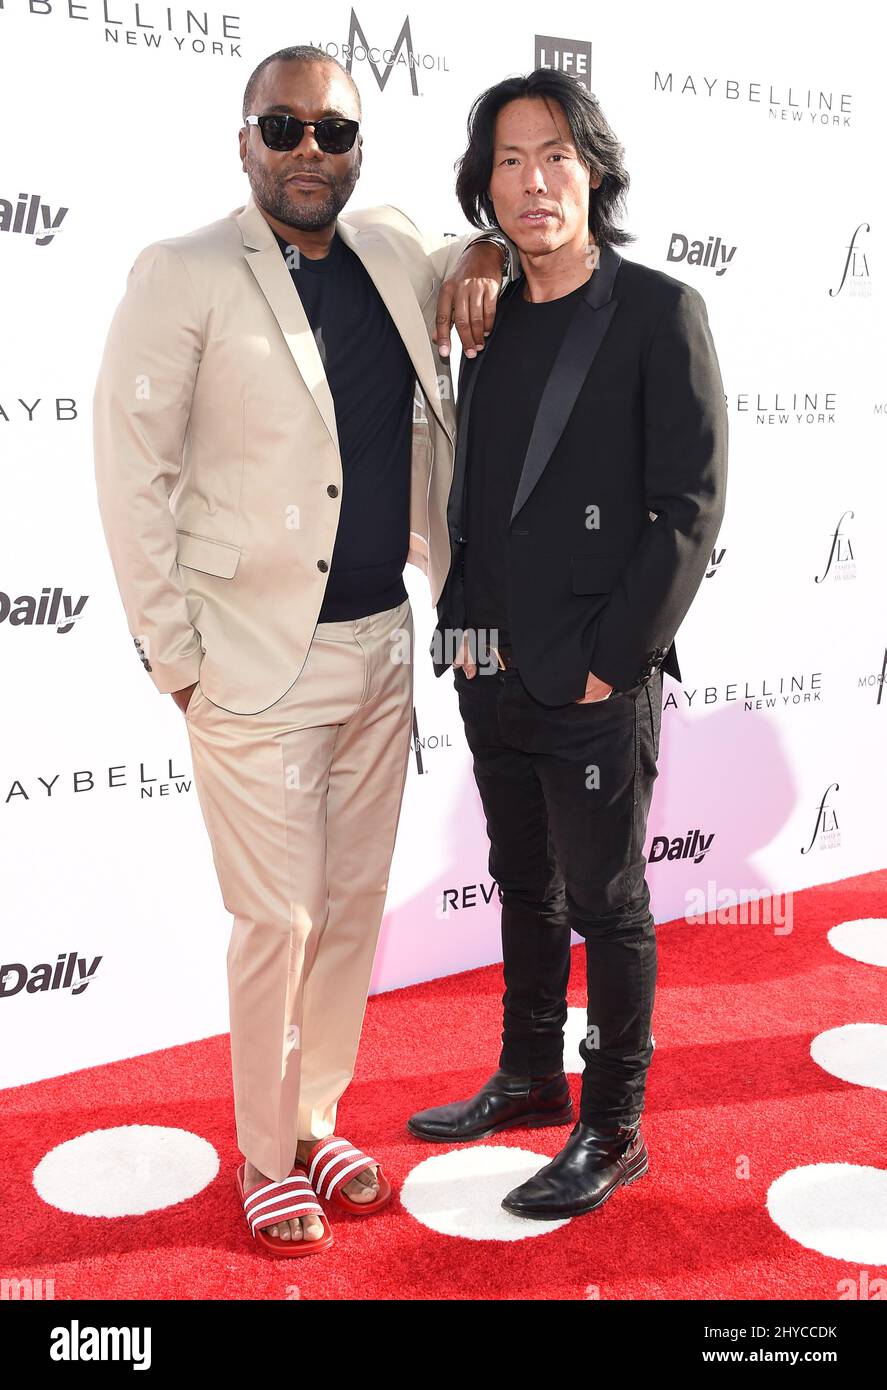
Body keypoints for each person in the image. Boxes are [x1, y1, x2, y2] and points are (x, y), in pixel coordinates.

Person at [92, 44, 509, 1255]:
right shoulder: (182, 273)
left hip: (381, 646)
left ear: (358, 149)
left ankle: (317, 1114)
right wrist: (175, 656)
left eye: (333, 132)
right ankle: (264, 1152)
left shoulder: (386, 243)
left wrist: (481, 250)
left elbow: (464, 257)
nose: (308, 153)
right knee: (273, 919)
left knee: (347, 908)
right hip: (251, 663)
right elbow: (134, 471)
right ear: (244, 141)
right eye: (284, 129)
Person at [409, 68, 728, 1220]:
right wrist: (470, 258)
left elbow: (687, 506)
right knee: (519, 885)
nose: (531, 180)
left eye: (553, 155)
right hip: (486, 659)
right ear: (481, 185)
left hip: (594, 671)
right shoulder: (478, 306)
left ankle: (613, 1124)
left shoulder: (654, 311)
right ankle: (531, 1073)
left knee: (607, 900)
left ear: (592, 168)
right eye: (506, 160)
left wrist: (618, 657)